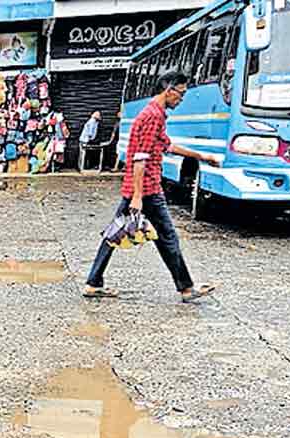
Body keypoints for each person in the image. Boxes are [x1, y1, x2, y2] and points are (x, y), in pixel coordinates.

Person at [83, 71, 220, 304]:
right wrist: (138, 196)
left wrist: (201, 156)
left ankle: (93, 283)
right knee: (167, 237)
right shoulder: (152, 116)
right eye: (181, 94)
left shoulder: (154, 114)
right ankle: (186, 288)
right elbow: (139, 157)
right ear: (169, 90)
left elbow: (168, 145)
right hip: (146, 190)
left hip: (140, 189)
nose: (182, 99)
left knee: (114, 234)